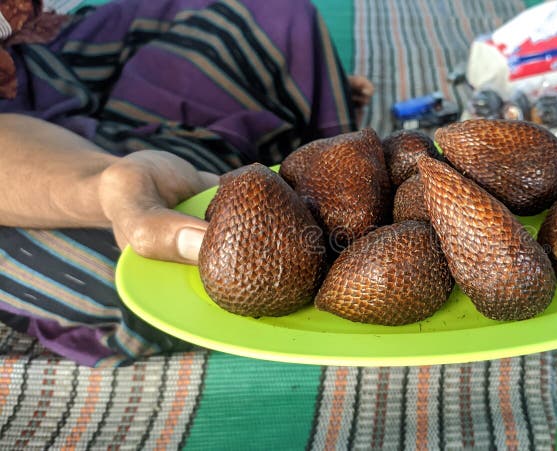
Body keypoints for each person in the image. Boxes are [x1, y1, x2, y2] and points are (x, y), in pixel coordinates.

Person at [0, 0, 374, 367]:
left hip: (35, 57)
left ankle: (270, 139)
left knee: (276, 13)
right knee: (152, 284)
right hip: (28, 159)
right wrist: (106, 188)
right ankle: (258, 128)